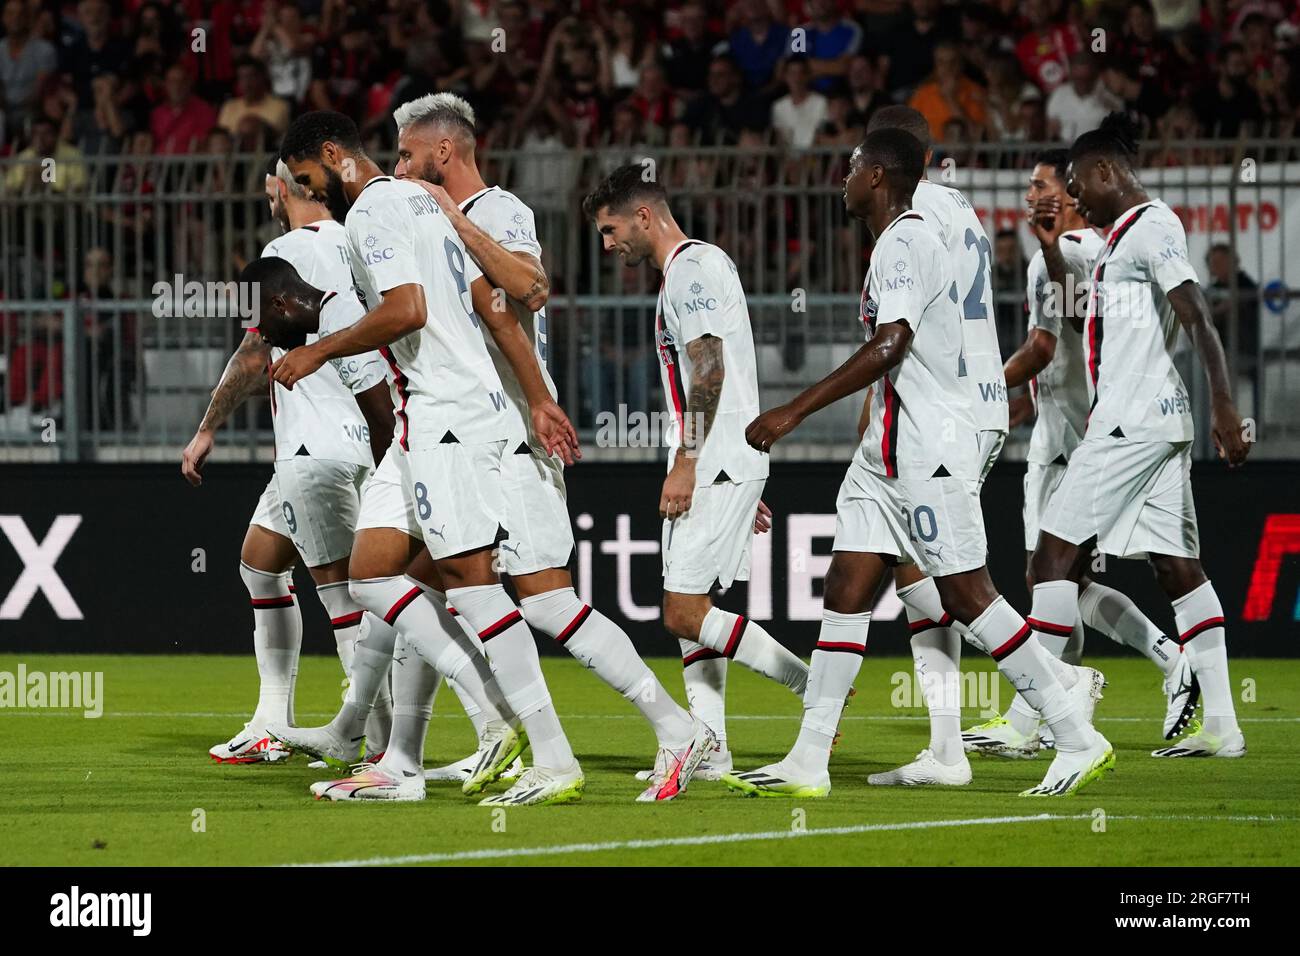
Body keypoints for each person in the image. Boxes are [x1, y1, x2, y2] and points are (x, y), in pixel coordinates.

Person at [728, 128, 1113, 798]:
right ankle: (809, 757)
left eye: (851, 167)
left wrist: (795, 411)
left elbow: (891, 344)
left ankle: (1075, 729)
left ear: (877, 176)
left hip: (929, 448)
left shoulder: (905, 240)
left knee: (966, 595)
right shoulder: (923, 229)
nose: (842, 178)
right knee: (846, 590)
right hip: (887, 452)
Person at [370, 91, 717, 803]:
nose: (397, 167)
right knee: (415, 582)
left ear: (443, 151)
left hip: (508, 438)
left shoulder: (500, 212)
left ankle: (656, 728)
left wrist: (451, 222)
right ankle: (419, 751)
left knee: (540, 602)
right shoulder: (415, 214)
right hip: (454, 432)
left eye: (406, 153)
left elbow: (527, 291)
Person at [273, 110, 587, 806]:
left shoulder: (374, 211)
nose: (308, 192)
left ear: (332, 155)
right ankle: (410, 760)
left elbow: (408, 309)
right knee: (373, 575)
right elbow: (490, 301)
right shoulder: (422, 199)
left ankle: (535, 743)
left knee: (470, 587)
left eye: (306, 177)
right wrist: (533, 393)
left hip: (448, 414)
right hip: (434, 414)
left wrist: (318, 349)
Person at [1029, 113, 1250, 758]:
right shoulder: (1117, 240)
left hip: (1129, 423)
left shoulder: (1153, 226)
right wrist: (1050, 244)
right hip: (1149, 424)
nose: (1075, 198)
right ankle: (1224, 728)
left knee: (1051, 558)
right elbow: (1073, 312)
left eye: (1078, 185)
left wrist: (1227, 407)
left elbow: (1198, 314)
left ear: (1105, 173)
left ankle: (1048, 720)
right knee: (1178, 568)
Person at [964, 149, 1194, 758]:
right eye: (1031, 185)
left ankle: (1037, 711)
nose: (1033, 193)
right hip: (1069, 427)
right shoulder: (1090, 249)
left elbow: (1046, 343)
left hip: (1074, 438)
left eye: (1044, 184)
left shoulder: (1072, 252)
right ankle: (1082, 691)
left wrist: (983, 387)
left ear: (1071, 192)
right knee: (1064, 576)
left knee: (1050, 570)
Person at [583, 163, 811, 779]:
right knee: (694, 614)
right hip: (724, 460)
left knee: (682, 611)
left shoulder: (691, 271)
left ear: (644, 216)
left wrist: (690, 463)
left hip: (710, 460)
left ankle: (813, 692)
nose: (608, 246)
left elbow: (708, 372)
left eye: (610, 231)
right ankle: (712, 746)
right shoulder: (700, 265)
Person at [181, 158, 396, 766]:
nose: (265, 191)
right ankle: (272, 720)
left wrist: (205, 429)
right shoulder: (359, 244)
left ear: (289, 187)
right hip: (359, 435)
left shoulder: (284, 250)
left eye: (271, 180)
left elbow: (254, 354)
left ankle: (375, 746)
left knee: (343, 597)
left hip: (313, 446)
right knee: (260, 564)